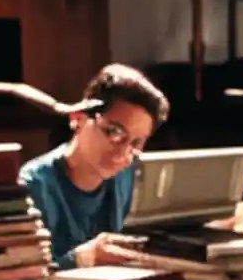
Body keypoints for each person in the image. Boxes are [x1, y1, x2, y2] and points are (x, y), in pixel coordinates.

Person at [18, 63, 170, 269]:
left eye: (136, 143)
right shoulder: (32, 186)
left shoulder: (129, 175)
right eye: (114, 132)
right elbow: (27, 277)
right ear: (78, 118)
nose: (123, 155)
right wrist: (82, 258)